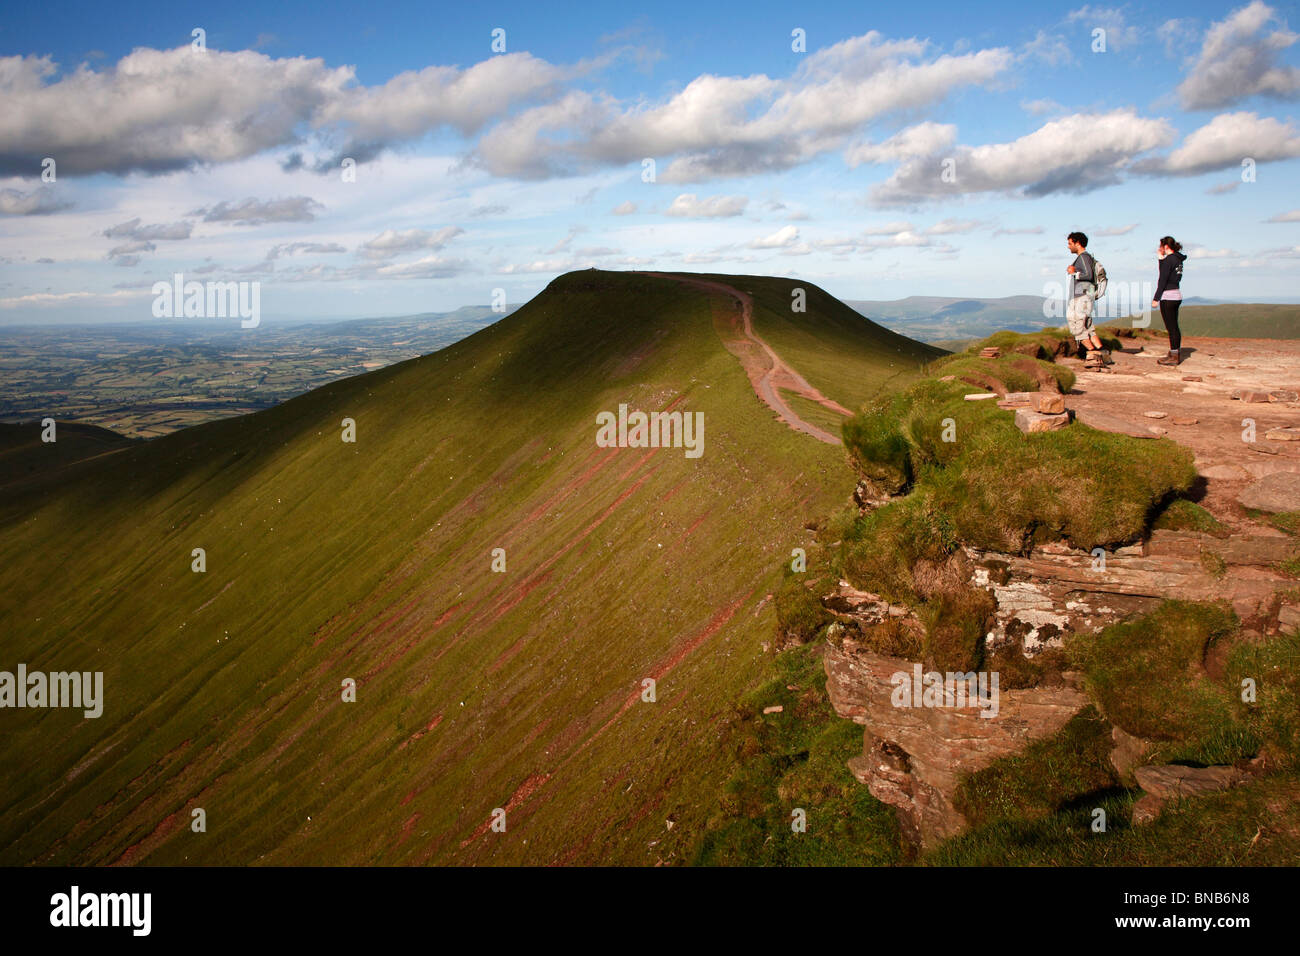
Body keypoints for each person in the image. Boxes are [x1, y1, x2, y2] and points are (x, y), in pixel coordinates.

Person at [1065, 232, 1108, 362]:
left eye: (1070, 243)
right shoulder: (1086, 257)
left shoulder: (1083, 257)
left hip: (1081, 297)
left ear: (1078, 243)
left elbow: (1088, 275)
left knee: (1076, 326)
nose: (1068, 246)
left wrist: (1074, 273)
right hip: (1086, 297)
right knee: (1088, 327)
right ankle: (1103, 352)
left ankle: (1093, 354)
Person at [1152, 236, 1186, 366]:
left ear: (1166, 246)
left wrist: (1156, 298)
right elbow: (1166, 273)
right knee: (1174, 327)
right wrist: (1161, 259)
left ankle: (1174, 356)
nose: (1160, 248)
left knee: (1171, 328)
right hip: (1176, 294)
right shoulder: (1177, 259)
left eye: (1161, 246)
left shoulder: (1169, 260)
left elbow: (1162, 279)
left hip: (1168, 297)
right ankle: (1174, 353)